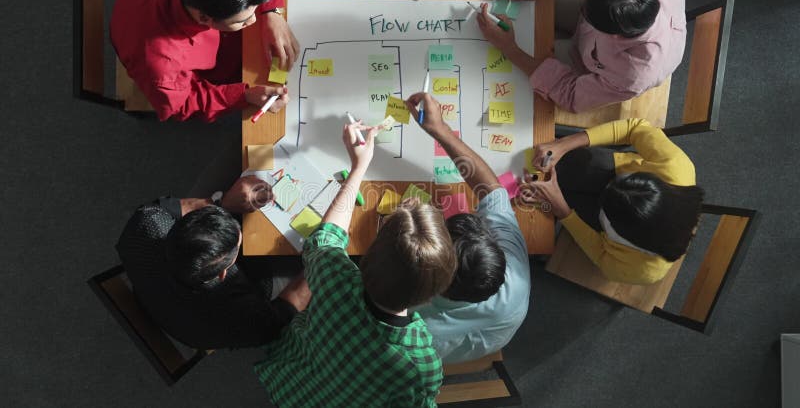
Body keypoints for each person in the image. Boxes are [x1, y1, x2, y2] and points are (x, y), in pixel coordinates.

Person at [253, 122, 456, 407]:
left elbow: (326, 237)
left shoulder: (336, 276)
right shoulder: (420, 363)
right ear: (435, 293)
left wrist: (359, 167)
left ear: (367, 254)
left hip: (289, 382)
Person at [405, 93, 531, 364]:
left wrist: (403, 227)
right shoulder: (511, 266)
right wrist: (441, 131)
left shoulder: (414, 322)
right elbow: (492, 190)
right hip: (489, 329)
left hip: (441, 349)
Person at [116, 176, 310, 350]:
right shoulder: (241, 318)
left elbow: (173, 207)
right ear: (224, 274)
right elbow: (283, 313)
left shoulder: (146, 222)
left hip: (154, 287)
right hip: (200, 324)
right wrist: (323, 257)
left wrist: (219, 202)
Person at [481, 0, 686, 113]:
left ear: (609, 34)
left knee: (523, 56)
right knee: (534, 4)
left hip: (590, 67)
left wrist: (510, 49)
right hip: (602, 19)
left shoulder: (634, 73)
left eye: (584, 1)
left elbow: (570, 95)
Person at [111, 0, 300, 122]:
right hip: (152, 52)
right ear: (204, 19)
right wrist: (245, 95)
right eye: (244, 20)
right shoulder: (162, 65)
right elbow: (183, 104)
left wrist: (272, 12)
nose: (254, 20)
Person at [521, 118, 704, 285]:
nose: (606, 188)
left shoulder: (638, 270)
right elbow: (635, 128)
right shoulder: (676, 167)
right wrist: (564, 144)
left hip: (601, 226)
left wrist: (561, 210)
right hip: (614, 172)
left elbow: (600, 252)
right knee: (551, 167)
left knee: (534, 210)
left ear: (623, 233)